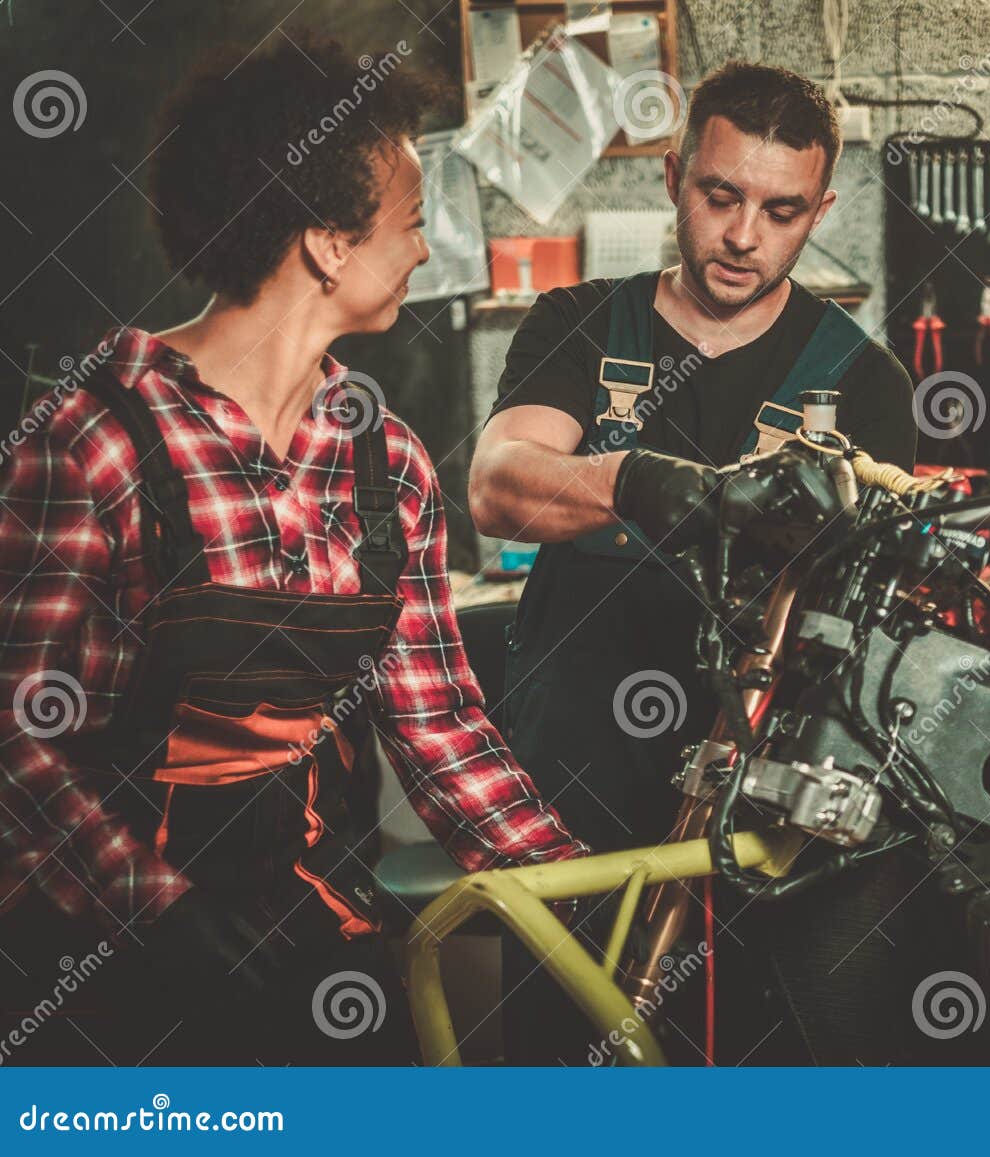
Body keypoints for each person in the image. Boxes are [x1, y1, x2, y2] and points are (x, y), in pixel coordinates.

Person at [0, 34, 583, 1066]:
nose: (422, 248)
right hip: (101, 972)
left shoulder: (386, 461)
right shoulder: (93, 436)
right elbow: (19, 734)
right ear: (325, 241)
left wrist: (581, 891)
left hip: (320, 947)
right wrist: (157, 909)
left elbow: (440, 728)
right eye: (409, 223)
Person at [470, 61, 917, 856]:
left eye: (783, 211)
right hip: (568, 775)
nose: (745, 237)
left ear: (820, 212)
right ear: (675, 177)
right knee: (553, 978)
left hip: (751, 794)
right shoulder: (582, 324)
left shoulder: (865, 383)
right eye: (721, 197)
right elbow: (499, 486)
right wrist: (642, 482)